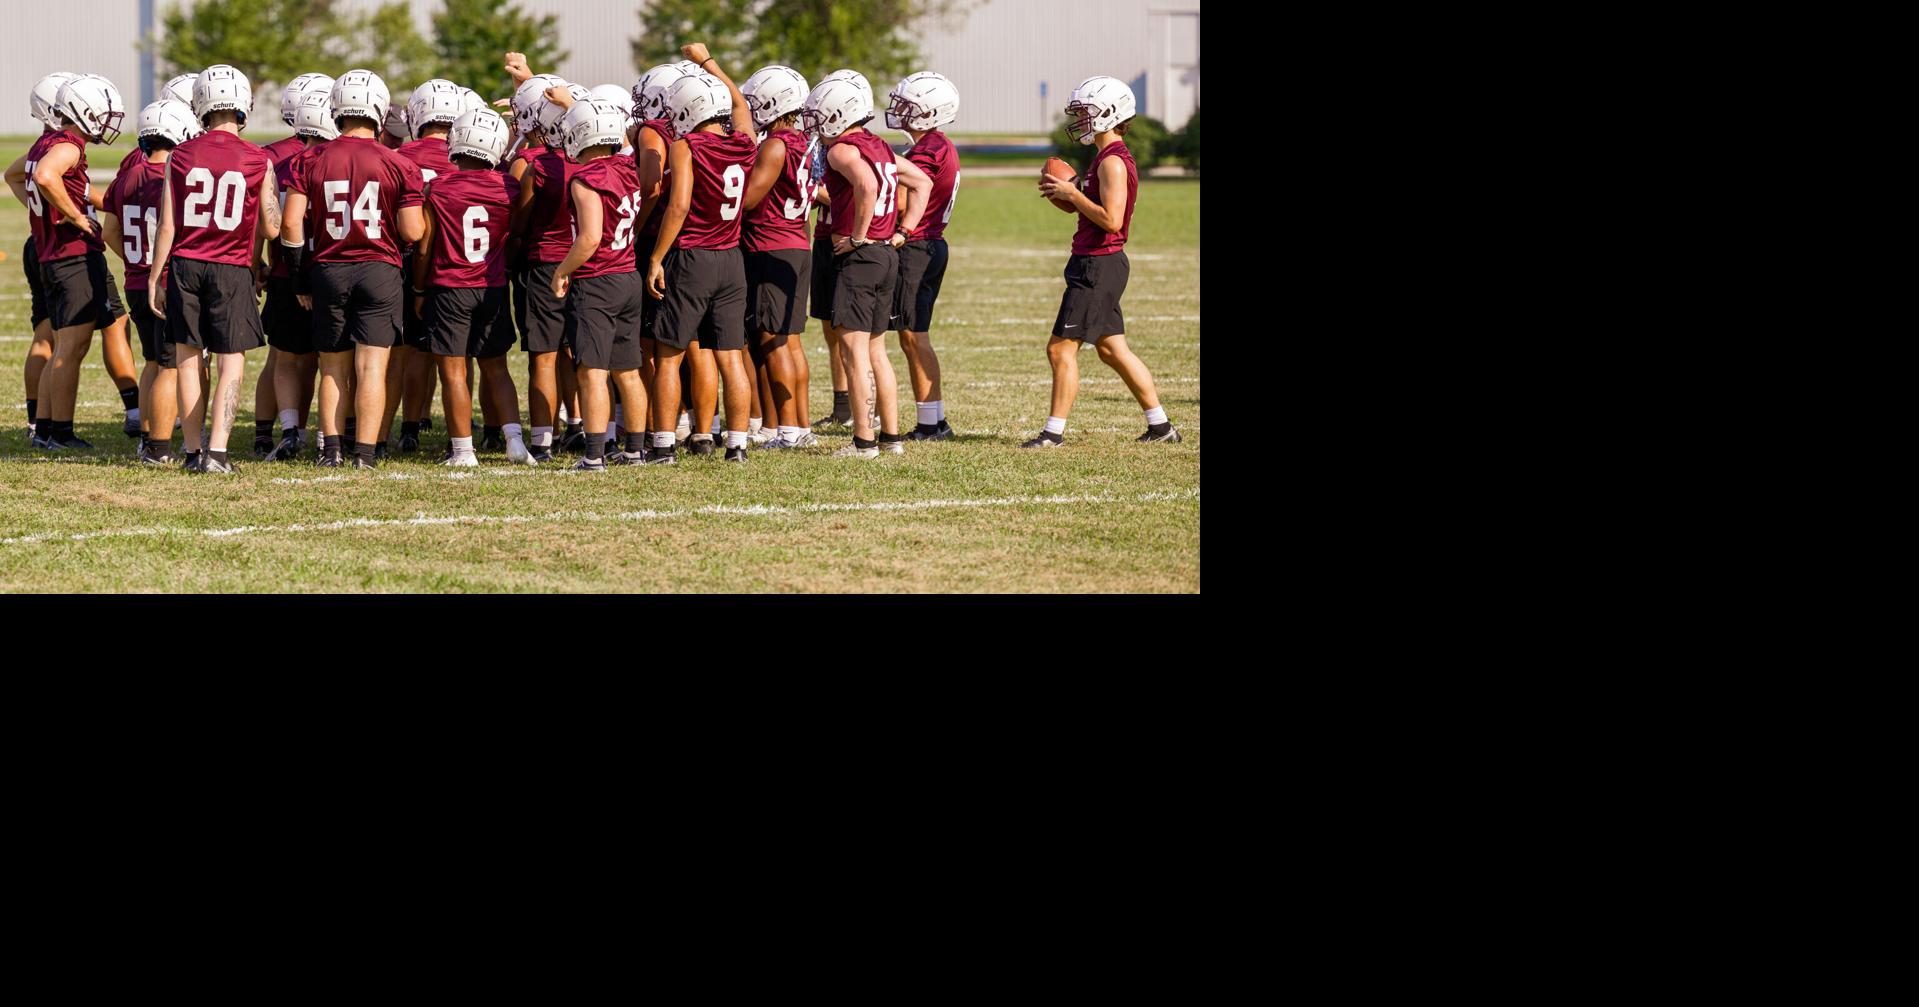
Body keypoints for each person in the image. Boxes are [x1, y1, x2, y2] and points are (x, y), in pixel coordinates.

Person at [279, 68, 426, 469]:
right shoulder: (398, 163)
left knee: (332, 366)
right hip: (379, 268)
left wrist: (298, 276)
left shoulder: (310, 158)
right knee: (372, 367)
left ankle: (331, 451)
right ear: (377, 109)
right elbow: (412, 229)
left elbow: (291, 224)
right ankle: (364, 452)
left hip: (329, 267)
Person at [1025, 76, 1179, 448]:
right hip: (1096, 261)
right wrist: (1072, 195)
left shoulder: (1113, 162)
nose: (1079, 118)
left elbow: (1111, 219)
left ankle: (1052, 434)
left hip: (1099, 264)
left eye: (1086, 112)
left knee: (1060, 348)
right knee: (1112, 349)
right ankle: (1161, 427)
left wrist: (1071, 195)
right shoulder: (1103, 157)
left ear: (1109, 113)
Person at [147, 64, 281, 473]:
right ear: (243, 105)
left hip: (186, 263)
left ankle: (191, 451)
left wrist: (156, 276)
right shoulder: (259, 159)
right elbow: (273, 227)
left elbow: (167, 224)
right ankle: (218, 454)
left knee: (188, 360)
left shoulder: (181, 154)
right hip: (231, 267)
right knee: (231, 361)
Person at [801, 74, 932, 458]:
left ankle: (863, 441)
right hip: (886, 256)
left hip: (861, 256)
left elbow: (867, 187)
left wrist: (858, 235)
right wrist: (903, 231)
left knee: (853, 351)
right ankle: (890, 437)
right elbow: (921, 183)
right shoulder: (879, 147)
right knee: (876, 351)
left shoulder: (843, 149)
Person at [643, 46, 761, 463]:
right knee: (730, 356)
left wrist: (657, 257)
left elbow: (677, 207)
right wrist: (709, 62)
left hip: (694, 255)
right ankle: (738, 445)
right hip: (732, 257)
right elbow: (741, 103)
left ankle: (661, 446)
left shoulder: (686, 146)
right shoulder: (744, 145)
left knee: (669, 355)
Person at [411, 107, 533, 466]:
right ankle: (514, 442)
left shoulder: (438, 188)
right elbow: (515, 235)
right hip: (492, 285)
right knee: (496, 367)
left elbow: (423, 246)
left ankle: (464, 451)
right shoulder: (509, 186)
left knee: (453, 372)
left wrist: (419, 290)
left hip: (449, 286)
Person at [22, 73, 131, 451]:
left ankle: (48, 430)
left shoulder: (46, 142)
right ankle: (60, 434)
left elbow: (19, 175)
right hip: (70, 257)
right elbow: (45, 176)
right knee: (71, 349)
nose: (107, 122)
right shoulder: (67, 145)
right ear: (81, 112)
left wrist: (49, 214)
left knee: (64, 347)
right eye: (102, 114)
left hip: (54, 256)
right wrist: (73, 215)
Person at [546, 93, 648, 471]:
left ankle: (593, 455)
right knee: (628, 370)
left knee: (592, 371)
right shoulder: (628, 169)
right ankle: (636, 450)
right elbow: (619, 140)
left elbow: (588, 237)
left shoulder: (585, 179)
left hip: (597, 280)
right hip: (627, 275)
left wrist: (562, 270)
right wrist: (574, 102)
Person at [103, 99, 199, 465]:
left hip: (135, 279)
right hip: (164, 281)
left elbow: (110, 231)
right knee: (170, 366)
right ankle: (158, 448)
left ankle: (147, 436)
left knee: (152, 361)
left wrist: (134, 261)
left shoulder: (126, 176)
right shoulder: (173, 177)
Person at [251, 71, 336, 456]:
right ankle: (332, 435)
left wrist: (258, 264)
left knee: (283, 356)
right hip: (335, 269)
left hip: (287, 269)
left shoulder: (274, 159)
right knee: (334, 359)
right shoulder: (342, 161)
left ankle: (280, 432)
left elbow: (266, 224)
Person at [738, 64, 819, 450]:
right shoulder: (803, 142)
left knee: (773, 341)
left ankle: (788, 430)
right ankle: (800, 425)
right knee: (790, 341)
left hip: (770, 245)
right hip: (794, 243)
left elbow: (749, 199)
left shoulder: (775, 143)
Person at [885, 72, 961, 441]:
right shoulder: (935, 145)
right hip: (927, 243)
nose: (899, 110)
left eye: (908, 105)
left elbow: (901, 201)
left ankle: (933, 422)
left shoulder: (929, 148)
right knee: (910, 335)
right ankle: (933, 420)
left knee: (914, 336)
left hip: (916, 244)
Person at [391, 79, 464, 455]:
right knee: (461, 355)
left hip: (407, 258)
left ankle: (409, 425)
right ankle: (488, 430)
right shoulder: (469, 154)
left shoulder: (402, 156)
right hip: (459, 262)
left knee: (410, 350)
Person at [807, 68, 874, 432]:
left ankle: (864, 411)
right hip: (824, 235)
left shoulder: (857, 147)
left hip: (848, 240)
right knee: (831, 328)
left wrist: (812, 192)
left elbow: (873, 191)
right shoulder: (824, 141)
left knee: (854, 334)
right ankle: (842, 405)